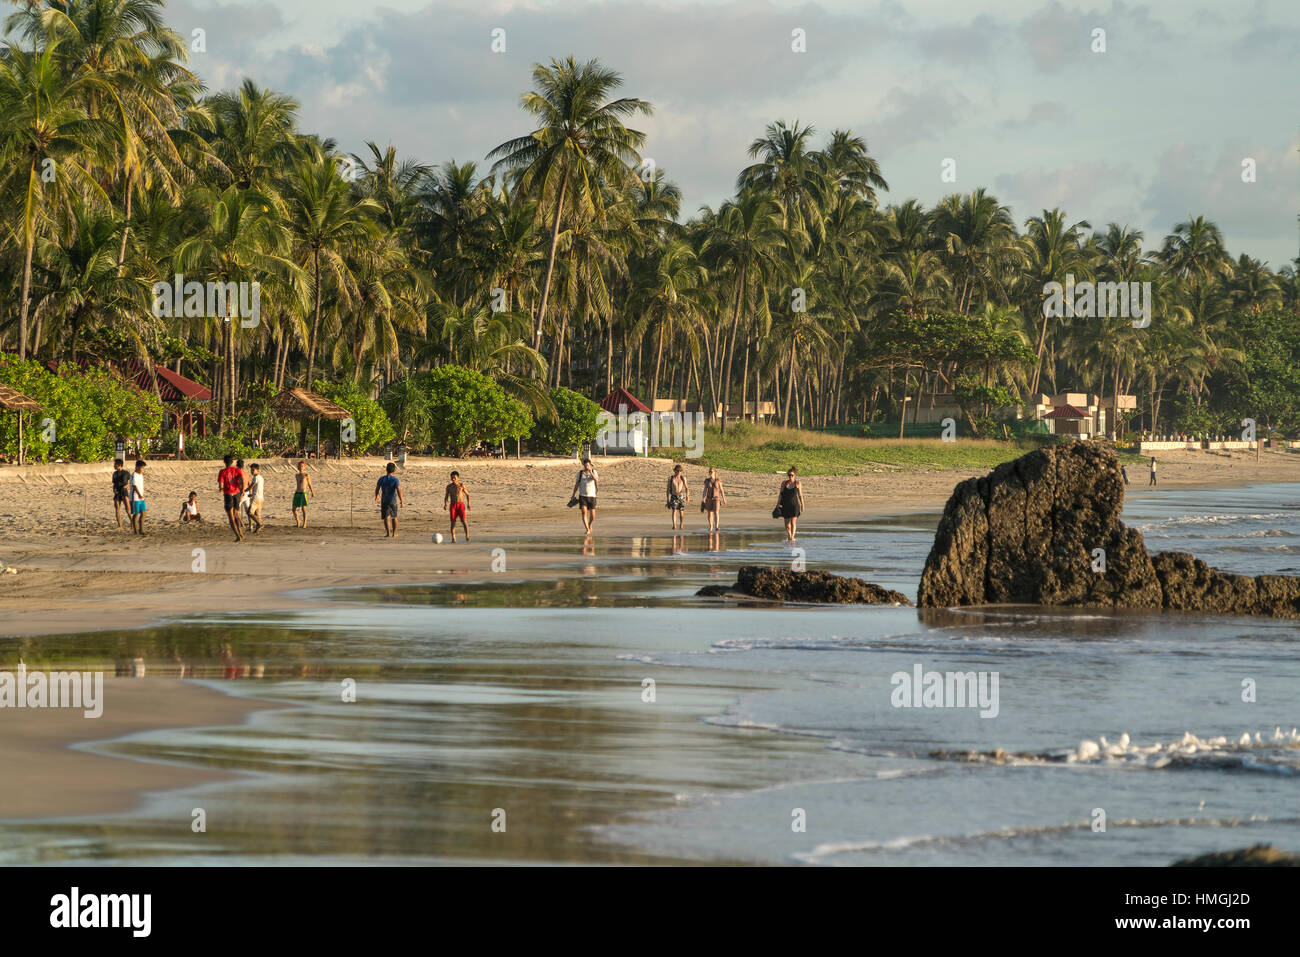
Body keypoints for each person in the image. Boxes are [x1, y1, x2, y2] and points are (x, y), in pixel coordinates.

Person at [217, 454, 245, 542]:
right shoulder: (237, 470)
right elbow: (241, 480)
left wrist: (221, 488)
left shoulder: (222, 471)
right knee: (236, 514)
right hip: (236, 493)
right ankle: (241, 533)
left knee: (231, 517)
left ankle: (238, 536)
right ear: (232, 462)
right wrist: (242, 490)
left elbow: (221, 483)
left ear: (224, 461)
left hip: (228, 494)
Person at [375, 462, 404, 537]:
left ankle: (388, 533)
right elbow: (399, 490)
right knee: (394, 516)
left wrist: (377, 496)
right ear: (394, 470)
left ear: (386, 469)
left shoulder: (382, 479)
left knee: (386, 516)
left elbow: (377, 489)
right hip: (393, 501)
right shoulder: (395, 480)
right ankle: (394, 533)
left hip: (384, 500)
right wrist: (402, 501)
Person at [571, 458, 599, 534]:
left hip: (592, 496)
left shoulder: (594, 471)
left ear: (590, 465)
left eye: (588, 465)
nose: (587, 467)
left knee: (593, 516)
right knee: (584, 512)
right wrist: (573, 495)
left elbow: (596, 480)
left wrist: (591, 472)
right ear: (583, 465)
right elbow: (577, 484)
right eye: (585, 465)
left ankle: (590, 525)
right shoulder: (580, 473)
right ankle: (587, 529)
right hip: (582, 496)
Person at [778, 465, 804, 541]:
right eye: (789, 475)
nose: (790, 477)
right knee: (786, 524)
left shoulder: (798, 483)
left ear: (794, 475)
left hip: (794, 505)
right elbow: (780, 494)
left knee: (793, 522)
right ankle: (789, 536)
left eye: (792, 475)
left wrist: (802, 504)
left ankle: (792, 537)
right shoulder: (784, 483)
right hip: (785, 505)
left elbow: (800, 495)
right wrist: (777, 504)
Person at [443, 470, 470, 542]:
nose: (453, 479)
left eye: (454, 477)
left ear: (458, 478)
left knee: (464, 521)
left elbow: (467, 494)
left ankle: (467, 535)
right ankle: (453, 538)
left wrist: (468, 504)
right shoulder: (449, 486)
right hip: (453, 505)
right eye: (452, 478)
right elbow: (446, 496)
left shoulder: (461, 485)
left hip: (461, 505)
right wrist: (445, 504)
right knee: (453, 522)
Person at [701, 466, 727, 531]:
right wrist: (703, 499)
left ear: (715, 472)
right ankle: (710, 526)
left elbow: (721, 490)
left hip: (716, 498)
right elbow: (705, 490)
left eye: (711, 471)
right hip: (709, 498)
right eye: (709, 471)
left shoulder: (718, 480)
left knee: (716, 512)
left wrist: (724, 498)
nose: (710, 472)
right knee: (709, 513)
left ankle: (717, 526)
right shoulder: (707, 481)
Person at [666, 464, 689, 529]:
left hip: (681, 496)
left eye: (680, 471)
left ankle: (681, 524)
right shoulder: (671, 478)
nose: (678, 472)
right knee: (674, 511)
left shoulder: (683, 478)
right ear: (675, 471)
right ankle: (674, 525)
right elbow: (667, 489)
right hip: (674, 496)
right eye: (677, 471)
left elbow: (687, 488)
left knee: (681, 512)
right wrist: (667, 499)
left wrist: (687, 496)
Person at [293, 461, 314, 527]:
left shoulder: (306, 475)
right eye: (299, 466)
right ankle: (298, 521)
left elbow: (310, 484)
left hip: (303, 493)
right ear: (297, 467)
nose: (301, 467)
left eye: (302, 466)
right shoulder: (296, 475)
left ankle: (304, 523)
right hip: (297, 493)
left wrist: (312, 492)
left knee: (303, 509)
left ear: (304, 467)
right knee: (294, 509)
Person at [129, 459, 147, 535]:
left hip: (141, 497)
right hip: (135, 497)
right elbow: (134, 485)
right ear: (137, 467)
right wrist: (139, 494)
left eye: (143, 468)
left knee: (144, 512)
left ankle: (141, 529)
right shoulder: (134, 475)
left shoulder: (141, 475)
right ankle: (135, 530)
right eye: (141, 468)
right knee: (136, 514)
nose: (142, 469)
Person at [245, 463, 265, 534]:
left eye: (253, 470)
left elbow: (252, 486)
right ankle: (257, 529)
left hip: (256, 498)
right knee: (257, 514)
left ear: (258, 470)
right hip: (261, 498)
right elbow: (257, 488)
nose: (252, 471)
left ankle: (259, 524)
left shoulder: (255, 478)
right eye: (251, 470)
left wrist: (244, 491)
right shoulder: (261, 477)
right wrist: (251, 494)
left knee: (249, 512)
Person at [112, 458, 130, 529]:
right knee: (117, 508)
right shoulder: (114, 474)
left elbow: (129, 482)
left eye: (115, 464)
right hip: (117, 492)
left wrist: (126, 486)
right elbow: (114, 483)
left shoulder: (126, 473)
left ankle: (132, 522)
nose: (114, 466)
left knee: (128, 509)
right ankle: (120, 526)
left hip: (124, 491)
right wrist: (113, 489)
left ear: (120, 465)